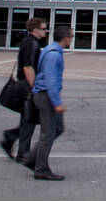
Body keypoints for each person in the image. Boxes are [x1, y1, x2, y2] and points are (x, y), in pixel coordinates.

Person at [22, 22, 74, 181]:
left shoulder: (50, 50)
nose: (72, 39)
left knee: (57, 128)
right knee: (48, 133)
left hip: (45, 94)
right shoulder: (53, 55)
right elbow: (51, 81)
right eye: (71, 36)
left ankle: (33, 159)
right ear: (65, 38)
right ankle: (40, 168)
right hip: (46, 96)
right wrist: (56, 102)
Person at [0, 16, 47, 162]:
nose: (46, 31)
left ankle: (13, 140)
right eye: (43, 29)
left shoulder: (29, 42)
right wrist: (34, 88)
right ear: (35, 30)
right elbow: (28, 67)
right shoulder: (31, 43)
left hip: (24, 84)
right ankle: (22, 150)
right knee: (30, 119)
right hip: (26, 85)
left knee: (29, 118)